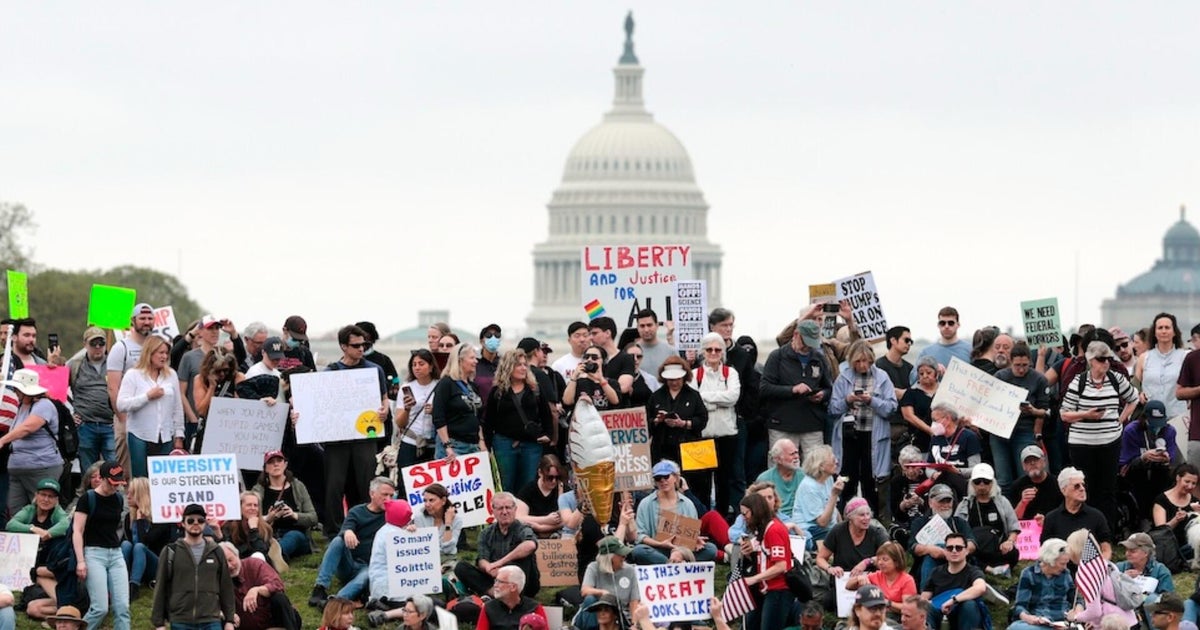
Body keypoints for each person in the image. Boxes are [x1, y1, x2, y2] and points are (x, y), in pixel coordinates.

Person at [1060, 340, 1138, 530]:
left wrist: (1120, 419)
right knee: (1085, 488)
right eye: (1101, 359)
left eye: (1108, 359)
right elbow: (1064, 414)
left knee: (1108, 489)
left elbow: (1133, 398)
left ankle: (1107, 532)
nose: (1106, 363)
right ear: (1091, 360)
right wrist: (1086, 415)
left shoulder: (1116, 379)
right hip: (1081, 442)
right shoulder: (1078, 382)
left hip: (1109, 441)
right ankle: (1085, 530)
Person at [321, 324, 390, 536]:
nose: (361, 349)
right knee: (335, 483)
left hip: (364, 436)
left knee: (365, 481)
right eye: (356, 345)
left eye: (364, 345)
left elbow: (384, 398)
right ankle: (334, 529)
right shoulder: (331, 371)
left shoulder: (373, 370)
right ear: (343, 346)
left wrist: (385, 411)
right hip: (337, 437)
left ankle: (367, 525)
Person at [828, 340, 897, 513]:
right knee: (847, 478)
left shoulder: (882, 377)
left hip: (873, 435)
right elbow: (833, 409)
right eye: (858, 362)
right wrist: (847, 401)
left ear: (871, 360)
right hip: (849, 435)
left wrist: (872, 401)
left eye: (865, 361)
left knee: (870, 479)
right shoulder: (843, 377)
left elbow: (891, 408)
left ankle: (871, 515)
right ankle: (845, 514)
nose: (862, 365)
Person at [307, 476, 396, 607]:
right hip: (349, 563)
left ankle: (335, 602)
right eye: (384, 495)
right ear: (372, 493)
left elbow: (405, 521)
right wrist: (347, 531)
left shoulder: (392, 514)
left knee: (364, 577)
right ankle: (320, 587)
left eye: (391, 495)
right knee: (338, 541)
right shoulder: (357, 511)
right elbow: (346, 528)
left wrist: (410, 526)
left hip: (370, 566)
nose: (388, 499)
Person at [152, 503, 236, 630]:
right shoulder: (171, 551)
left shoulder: (216, 551)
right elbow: (160, 586)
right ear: (183, 523)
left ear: (205, 523)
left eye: (200, 520)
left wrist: (229, 619)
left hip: (211, 619)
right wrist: (159, 623)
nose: (195, 523)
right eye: (190, 520)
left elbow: (226, 586)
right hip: (181, 620)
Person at [760, 318, 832, 460]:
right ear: (796, 335)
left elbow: (829, 388)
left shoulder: (819, 358)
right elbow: (764, 388)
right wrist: (792, 390)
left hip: (812, 424)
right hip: (783, 424)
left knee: (816, 468)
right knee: (782, 466)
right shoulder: (777, 357)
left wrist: (822, 395)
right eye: (805, 342)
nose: (808, 347)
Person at [116, 335, 185, 479]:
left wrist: (179, 435)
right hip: (140, 434)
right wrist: (147, 396)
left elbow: (177, 407)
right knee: (141, 479)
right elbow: (121, 404)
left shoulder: (171, 375)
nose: (164, 356)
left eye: (166, 353)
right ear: (150, 352)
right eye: (160, 352)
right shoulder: (133, 375)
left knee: (163, 478)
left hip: (165, 436)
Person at [74, 461, 130, 630]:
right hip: (93, 553)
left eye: (118, 483)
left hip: (115, 553)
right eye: (112, 483)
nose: (116, 487)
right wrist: (80, 560)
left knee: (123, 607)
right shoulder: (88, 498)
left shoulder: (119, 498)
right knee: (100, 608)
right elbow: (77, 531)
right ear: (101, 478)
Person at [488, 349, 554, 493]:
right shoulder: (498, 392)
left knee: (528, 485)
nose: (523, 368)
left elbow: (546, 414)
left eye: (525, 365)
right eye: (518, 365)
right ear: (508, 367)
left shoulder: (534, 389)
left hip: (531, 445)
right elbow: (488, 421)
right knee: (506, 485)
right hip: (504, 444)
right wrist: (486, 448)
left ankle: (523, 514)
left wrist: (548, 435)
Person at [454, 492, 540, 598]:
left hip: (521, 581)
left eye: (508, 507)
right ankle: (496, 594)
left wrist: (500, 565)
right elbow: (482, 559)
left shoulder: (523, 528)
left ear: (515, 509)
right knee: (461, 567)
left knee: (525, 558)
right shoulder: (486, 533)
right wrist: (488, 568)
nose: (504, 512)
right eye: (500, 508)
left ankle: (505, 595)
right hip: (494, 579)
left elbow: (530, 545)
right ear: (492, 511)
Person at [0, 368, 62, 514]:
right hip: (17, 469)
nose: (14, 391)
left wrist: (2, 440)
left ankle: (44, 537)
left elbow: (27, 428)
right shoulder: (21, 407)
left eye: (17, 388)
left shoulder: (44, 405)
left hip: (41, 467)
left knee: (43, 511)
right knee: (16, 511)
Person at [631, 460, 717, 564]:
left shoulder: (687, 503)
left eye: (666, 476)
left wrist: (690, 543)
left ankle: (673, 562)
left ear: (675, 477)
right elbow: (640, 536)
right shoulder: (645, 503)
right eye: (658, 478)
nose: (663, 481)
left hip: (682, 550)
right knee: (639, 551)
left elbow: (691, 534)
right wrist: (661, 544)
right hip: (657, 549)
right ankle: (673, 564)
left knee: (711, 549)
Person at [693, 331, 741, 517]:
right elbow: (696, 403)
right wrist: (718, 401)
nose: (713, 353)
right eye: (709, 349)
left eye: (717, 349)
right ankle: (704, 517)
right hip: (703, 435)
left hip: (727, 434)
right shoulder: (694, 374)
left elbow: (732, 398)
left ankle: (721, 518)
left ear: (723, 352)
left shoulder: (731, 373)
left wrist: (707, 400)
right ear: (703, 352)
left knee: (724, 481)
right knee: (702, 482)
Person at [107, 303, 157, 478]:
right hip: (127, 417)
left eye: (150, 318)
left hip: (152, 420)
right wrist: (123, 420)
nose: (146, 322)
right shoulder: (121, 348)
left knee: (150, 473)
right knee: (129, 473)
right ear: (132, 321)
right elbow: (113, 387)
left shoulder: (159, 348)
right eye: (142, 318)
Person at [992, 342, 1051, 488]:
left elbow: (1045, 410)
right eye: (1017, 365)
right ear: (1010, 362)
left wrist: (1033, 411)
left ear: (1030, 362)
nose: (1021, 369)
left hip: (1025, 430)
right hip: (1000, 431)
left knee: (1026, 476)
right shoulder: (1000, 376)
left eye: (1025, 365)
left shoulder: (1039, 379)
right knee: (1003, 479)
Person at [646, 357, 708, 495]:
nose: (674, 382)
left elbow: (702, 420)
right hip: (663, 447)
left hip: (689, 448)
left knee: (693, 486)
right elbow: (646, 422)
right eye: (670, 379)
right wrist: (657, 420)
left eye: (677, 379)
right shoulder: (656, 396)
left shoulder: (693, 396)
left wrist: (683, 423)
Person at [738, 492, 795, 630]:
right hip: (767, 589)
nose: (744, 518)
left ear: (755, 511)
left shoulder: (773, 530)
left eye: (745, 514)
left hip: (778, 590)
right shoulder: (764, 529)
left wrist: (754, 579)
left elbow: (781, 566)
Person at [954, 463, 1020, 574]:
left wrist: (1009, 542)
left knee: (1012, 553)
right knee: (964, 553)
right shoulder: (964, 505)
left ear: (992, 483)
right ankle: (990, 570)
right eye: (977, 482)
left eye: (986, 481)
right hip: (974, 548)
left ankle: (986, 567)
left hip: (998, 546)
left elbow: (1014, 528)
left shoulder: (1002, 501)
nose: (982, 485)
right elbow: (956, 528)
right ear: (972, 484)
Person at [1123, 400, 1181, 526]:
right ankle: (1141, 518)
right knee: (1139, 475)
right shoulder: (1131, 430)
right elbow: (1124, 463)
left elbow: (1172, 456)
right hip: (1136, 472)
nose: (1157, 426)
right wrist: (1143, 457)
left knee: (1166, 475)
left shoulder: (1169, 430)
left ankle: (1160, 516)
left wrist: (1166, 458)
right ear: (1144, 418)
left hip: (1160, 472)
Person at [253, 450, 317, 561]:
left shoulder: (298, 486)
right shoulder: (258, 490)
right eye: (271, 462)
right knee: (265, 541)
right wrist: (268, 518)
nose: (276, 464)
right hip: (270, 535)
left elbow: (313, 518)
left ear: (285, 464)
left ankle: (272, 557)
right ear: (265, 468)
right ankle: (276, 557)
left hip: (296, 535)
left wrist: (294, 515)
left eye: (279, 461)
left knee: (293, 536)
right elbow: (250, 519)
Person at [907, 484, 975, 588]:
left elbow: (972, 544)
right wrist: (929, 549)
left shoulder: (959, 523)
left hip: (957, 563)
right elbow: (913, 546)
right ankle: (926, 594)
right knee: (931, 555)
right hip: (929, 563)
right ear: (930, 502)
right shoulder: (919, 522)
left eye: (948, 501)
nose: (945, 505)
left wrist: (955, 551)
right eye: (941, 501)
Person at [221, 542, 301, 630]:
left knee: (279, 598)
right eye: (224, 564)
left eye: (230, 560)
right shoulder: (218, 579)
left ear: (237, 556)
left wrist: (257, 590)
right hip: (243, 625)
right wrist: (227, 615)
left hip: (273, 621)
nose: (229, 566)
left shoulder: (254, 564)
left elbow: (277, 584)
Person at [69, 326, 116, 474]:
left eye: (101, 343)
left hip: (111, 426)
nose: (97, 347)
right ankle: (87, 496)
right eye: (93, 343)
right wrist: (69, 415)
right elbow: (57, 392)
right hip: (85, 426)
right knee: (88, 473)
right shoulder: (74, 365)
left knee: (113, 469)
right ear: (85, 345)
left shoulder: (115, 364)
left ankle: (114, 497)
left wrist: (121, 418)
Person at [1040, 467, 1113, 559]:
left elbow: (1106, 549)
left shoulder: (1097, 516)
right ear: (1064, 490)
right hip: (1061, 569)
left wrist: (1100, 567)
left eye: (1083, 485)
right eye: (1076, 486)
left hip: (1091, 569)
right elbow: (1045, 551)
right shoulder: (1051, 518)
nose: (1082, 489)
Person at [920, 532, 987, 630]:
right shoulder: (936, 572)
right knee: (925, 607)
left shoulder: (973, 571)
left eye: (958, 548)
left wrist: (953, 600)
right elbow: (924, 598)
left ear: (966, 551)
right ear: (945, 551)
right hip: (940, 615)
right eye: (950, 548)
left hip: (964, 616)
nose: (954, 551)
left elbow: (980, 588)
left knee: (969, 605)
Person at [121, 477, 175, 598]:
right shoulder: (129, 517)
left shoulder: (160, 518)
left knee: (139, 547)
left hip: (156, 565)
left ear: (141, 495)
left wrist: (140, 522)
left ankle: (133, 587)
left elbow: (145, 542)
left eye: (132, 493)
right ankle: (121, 581)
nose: (127, 496)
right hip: (136, 562)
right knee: (125, 545)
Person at [366, 499, 417, 624]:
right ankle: (384, 614)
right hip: (393, 589)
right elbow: (409, 561)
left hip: (380, 586)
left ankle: (381, 604)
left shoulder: (384, 530)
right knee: (424, 606)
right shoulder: (396, 536)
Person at [432, 342, 485, 461]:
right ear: (460, 360)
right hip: (454, 445)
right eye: (472, 358)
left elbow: (478, 417)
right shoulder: (446, 383)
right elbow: (438, 416)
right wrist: (447, 446)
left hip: (473, 445)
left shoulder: (473, 386)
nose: (476, 361)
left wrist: (481, 441)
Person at [573, 536, 640, 630]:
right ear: (610, 557)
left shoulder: (630, 570)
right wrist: (602, 592)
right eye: (621, 554)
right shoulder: (593, 567)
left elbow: (634, 601)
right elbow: (584, 590)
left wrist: (634, 624)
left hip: (620, 614)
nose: (624, 557)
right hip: (598, 614)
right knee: (590, 599)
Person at [1007, 538, 1074, 630]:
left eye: (1066, 563)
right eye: (1062, 564)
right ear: (1050, 561)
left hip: (1062, 622)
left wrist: (1078, 608)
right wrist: (1028, 618)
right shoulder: (1028, 574)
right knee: (1015, 627)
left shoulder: (1066, 574)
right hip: (1038, 623)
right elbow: (1020, 605)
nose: (1065, 567)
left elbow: (1076, 599)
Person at [394, 349, 440, 474]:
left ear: (431, 367)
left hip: (434, 443)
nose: (417, 368)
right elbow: (400, 423)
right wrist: (407, 409)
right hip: (411, 442)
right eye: (414, 365)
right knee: (407, 483)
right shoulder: (406, 387)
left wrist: (435, 412)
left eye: (421, 364)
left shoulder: (440, 386)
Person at [1138, 313, 1189, 423]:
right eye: (1160, 328)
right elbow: (1136, 386)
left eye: (1167, 327)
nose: (1164, 331)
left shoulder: (1185, 357)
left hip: (1178, 416)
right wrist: (1140, 393)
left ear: (1174, 331)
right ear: (1154, 332)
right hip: (1151, 417)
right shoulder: (1144, 358)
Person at [846, 542, 918, 618]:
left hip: (897, 619)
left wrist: (887, 602)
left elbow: (908, 608)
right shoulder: (876, 575)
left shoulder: (907, 580)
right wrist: (859, 578)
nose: (880, 563)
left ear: (896, 562)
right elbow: (848, 586)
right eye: (878, 559)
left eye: (885, 559)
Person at [792, 445, 846, 545]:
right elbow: (822, 522)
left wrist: (843, 526)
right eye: (833, 460)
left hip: (827, 528)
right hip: (811, 530)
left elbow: (834, 509)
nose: (837, 462)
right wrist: (834, 495)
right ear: (821, 466)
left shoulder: (828, 478)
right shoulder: (809, 486)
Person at [925, 405, 981, 501]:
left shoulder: (969, 437)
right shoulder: (935, 438)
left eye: (935, 420)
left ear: (947, 419)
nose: (933, 424)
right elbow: (929, 466)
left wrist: (958, 471)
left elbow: (976, 468)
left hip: (961, 481)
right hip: (940, 481)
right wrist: (933, 474)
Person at [475, 565, 546, 630]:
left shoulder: (534, 608)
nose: (495, 585)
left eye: (499, 582)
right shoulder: (489, 607)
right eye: (495, 581)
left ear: (513, 587)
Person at [1006, 445, 1063, 523]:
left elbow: (1066, 514)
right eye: (1028, 461)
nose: (1032, 463)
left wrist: (1047, 521)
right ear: (1023, 466)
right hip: (1027, 531)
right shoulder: (1016, 486)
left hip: (1053, 527)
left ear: (1044, 462)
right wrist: (1023, 503)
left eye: (1036, 459)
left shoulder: (1058, 483)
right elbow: (1012, 521)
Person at [1151, 463, 1200, 552]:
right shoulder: (1162, 500)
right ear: (1178, 478)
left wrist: (1198, 514)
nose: (1190, 486)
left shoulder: (1195, 502)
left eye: (1194, 483)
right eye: (1187, 481)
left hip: (1191, 545)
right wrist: (1176, 520)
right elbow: (1161, 532)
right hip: (1169, 547)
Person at [913, 307, 971, 381]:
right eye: (942, 323)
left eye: (951, 323)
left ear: (958, 325)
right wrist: (930, 369)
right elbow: (912, 379)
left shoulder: (970, 350)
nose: (946, 326)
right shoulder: (926, 352)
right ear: (938, 325)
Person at [1115, 532, 1174, 603]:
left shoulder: (1160, 571)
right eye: (1126, 550)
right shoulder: (1118, 568)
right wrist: (1122, 578)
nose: (1128, 554)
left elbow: (1167, 599)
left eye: (1132, 551)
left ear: (1146, 553)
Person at [562, 344, 623, 413]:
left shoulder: (612, 383)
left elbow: (615, 401)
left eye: (594, 358)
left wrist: (601, 379)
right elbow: (567, 401)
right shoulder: (577, 383)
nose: (589, 360)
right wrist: (574, 376)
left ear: (603, 361)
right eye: (586, 357)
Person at [516, 455, 566, 536]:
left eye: (557, 478)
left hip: (558, 531)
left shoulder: (563, 489)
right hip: (532, 533)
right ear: (540, 473)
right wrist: (546, 520)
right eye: (549, 477)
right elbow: (519, 518)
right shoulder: (528, 490)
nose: (554, 481)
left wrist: (542, 528)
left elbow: (570, 520)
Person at [898, 357, 938, 456]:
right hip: (919, 443)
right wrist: (929, 430)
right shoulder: (911, 393)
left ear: (936, 374)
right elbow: (908, 415)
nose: (925, 376)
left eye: (928, 373)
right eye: (921, 373)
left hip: (942, 442)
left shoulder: (944, 391)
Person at [410, 482, 463, 556]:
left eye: (431, 500)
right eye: (425, 500)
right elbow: (422, 547)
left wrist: (448, 523)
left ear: (443, 500)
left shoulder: (457, 520)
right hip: (428, 559)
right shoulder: (420, 517)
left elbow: (448, 549)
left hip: (448, 559)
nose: (427, 504)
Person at [220, 491, 273, 563]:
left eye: (255, 505)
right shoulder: (228, 526)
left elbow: (261, 553)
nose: (253, 508)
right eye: (249, 505)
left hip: (259, 566)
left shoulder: (265, 528)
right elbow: (232, 552)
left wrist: (254, 529)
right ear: (240, 507)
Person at [755, 438, 802, 518]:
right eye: (792, 454)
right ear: (778, 459)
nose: (796, 457)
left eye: (796, 453)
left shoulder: (805, 475)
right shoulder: (764, 479)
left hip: (801, 520)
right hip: (775, 519)